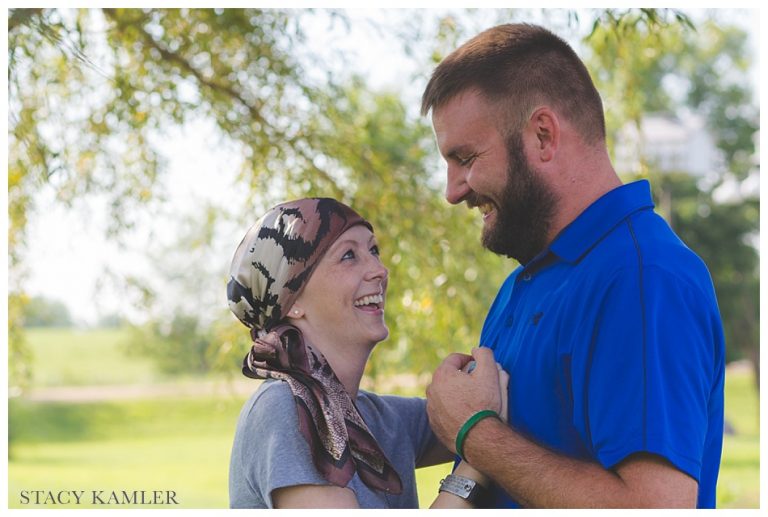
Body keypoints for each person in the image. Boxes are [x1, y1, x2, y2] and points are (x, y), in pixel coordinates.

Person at [420, 23, 725, 509]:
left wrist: (477, 436)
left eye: (465, 158)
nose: (453, 189)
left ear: (543, 135)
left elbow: (654, 506)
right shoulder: (526, 281)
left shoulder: (641, 278)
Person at [226, 197, 507, 508]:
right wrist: (480, 454)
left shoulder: (377, 418)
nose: (379, 270)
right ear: (292, 301)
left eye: (374, 251)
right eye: (348, 256)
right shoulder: (284, 409)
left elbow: (474, 407)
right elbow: (476, 424)